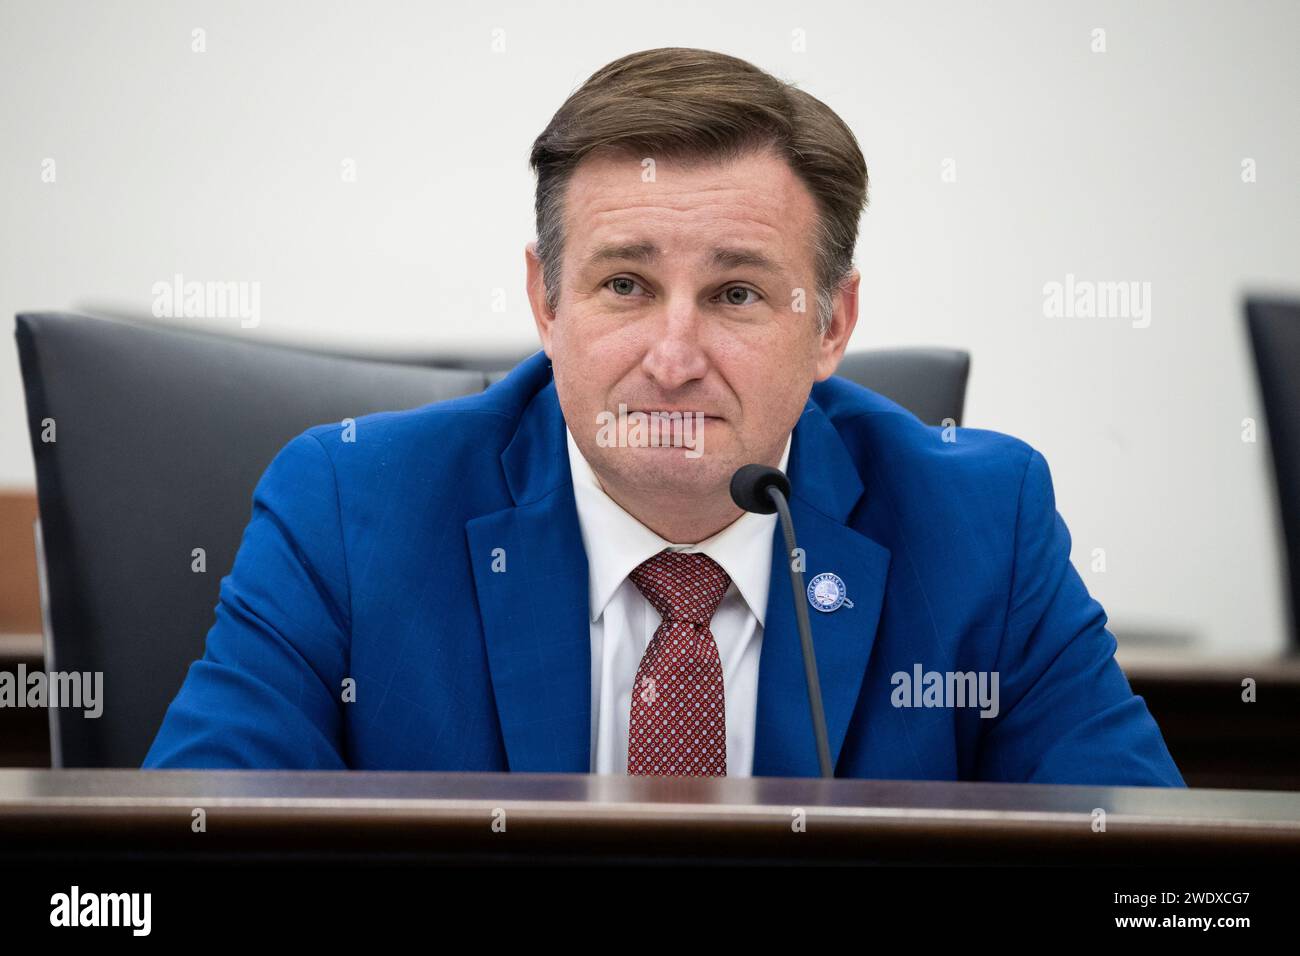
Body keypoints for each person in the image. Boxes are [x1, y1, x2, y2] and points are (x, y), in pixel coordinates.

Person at [143, 47, 1184, 785]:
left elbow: (1159, 892)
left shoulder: (981, 526)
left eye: (736, 294)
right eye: (626, 286)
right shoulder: (347, 508)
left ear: (832, 324)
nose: (674, 359)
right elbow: (189, 851)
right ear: (546, 304)